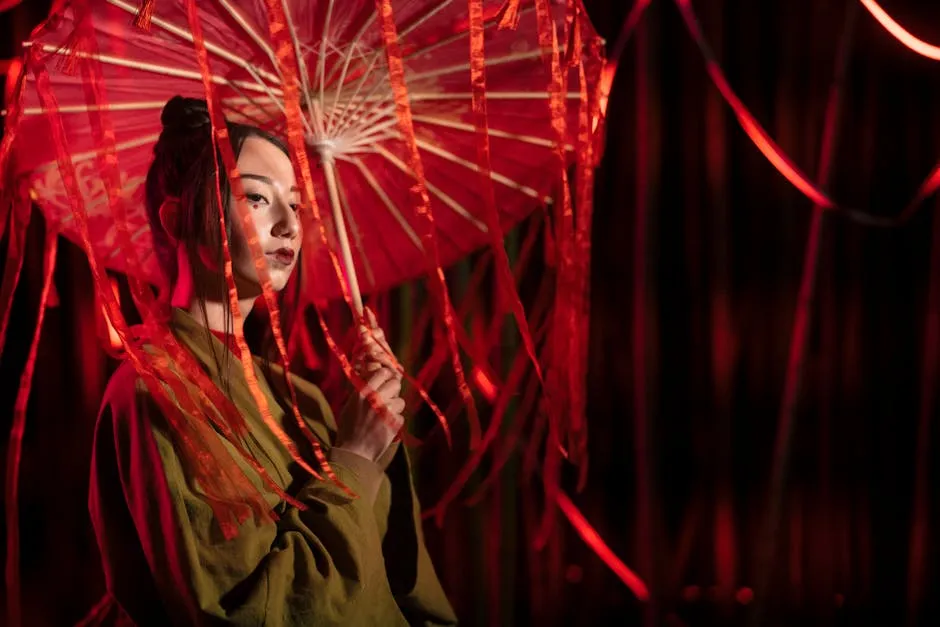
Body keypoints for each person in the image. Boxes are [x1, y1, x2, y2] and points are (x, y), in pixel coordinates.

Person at [88, 96, 457, 626]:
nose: (289, 226)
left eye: (297, 203)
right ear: (177, 219)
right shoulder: (158, 392)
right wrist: (354, 455)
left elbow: (393, 584)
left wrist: (376, 431)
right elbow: (249, 611)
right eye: (257, 198)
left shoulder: (300, 398)